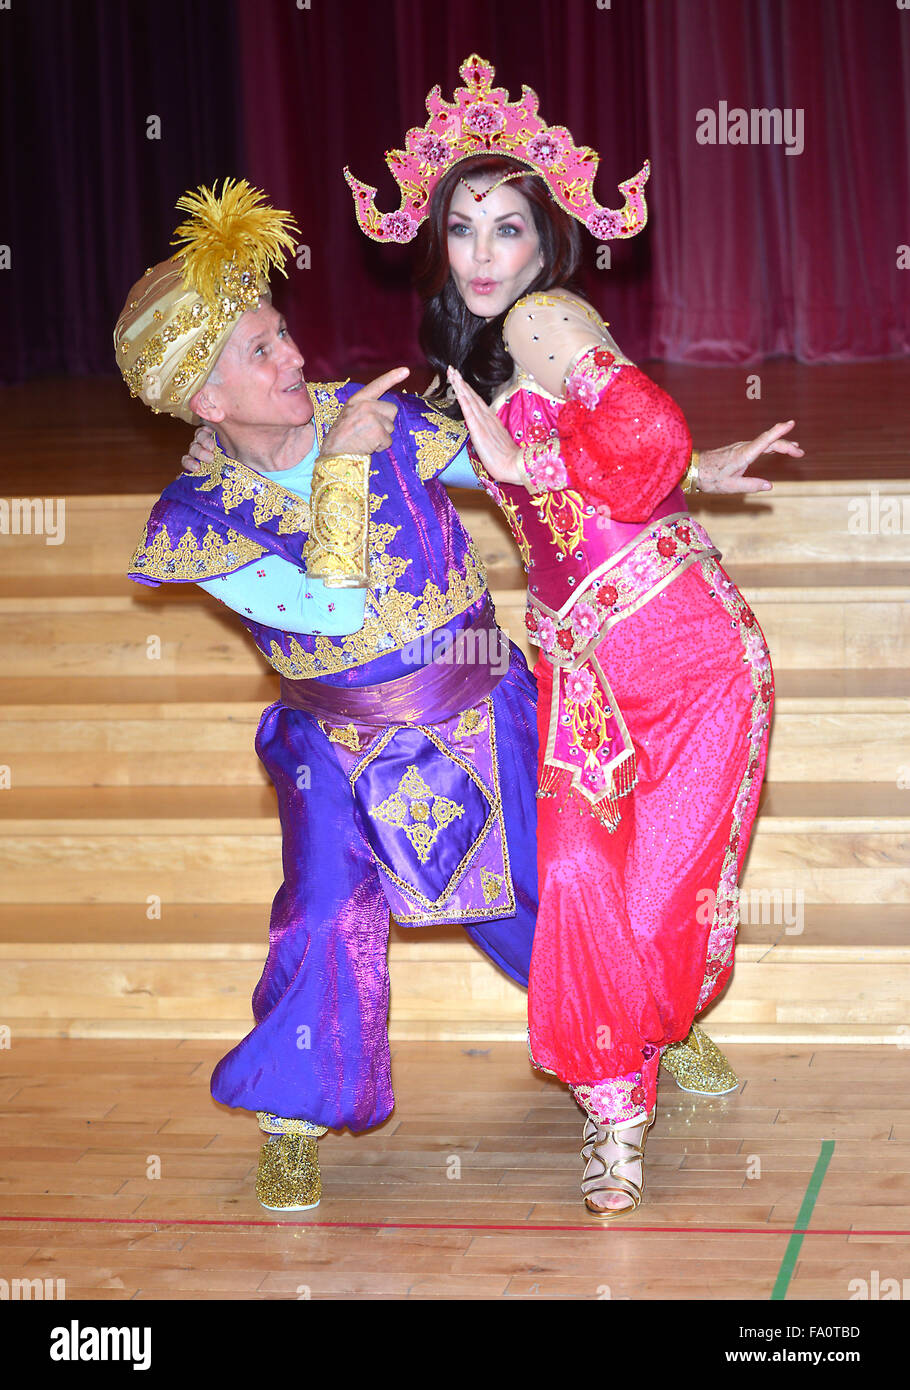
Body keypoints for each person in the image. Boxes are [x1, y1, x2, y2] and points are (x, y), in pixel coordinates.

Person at [344, 55, 803, 1217]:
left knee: (643, 898)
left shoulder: (546, 315)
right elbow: (625, 467)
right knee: (576, 876)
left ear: (548, 242)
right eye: (464, 229)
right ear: (438, 244)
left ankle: (622, 1109)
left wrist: (545, 457)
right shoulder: (474, 357)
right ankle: (614, 1106)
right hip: (578, 656)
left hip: (680, 652)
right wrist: (706, 468)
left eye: (510, 228)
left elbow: (635, 437)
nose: (486, 253)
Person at [114, 178, 543, 1212]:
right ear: (205, 403)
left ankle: (638, 1026)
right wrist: (342, 470)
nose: (296, 357)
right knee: (319, 908)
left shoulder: (380, 416)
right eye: (260, 352)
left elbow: (527, 475)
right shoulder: (196, 519)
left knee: (545, 889)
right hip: (336, 743)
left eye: (284, 335)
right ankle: (293, 1116)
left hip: (481, 709)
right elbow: (326, 611)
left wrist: (682, 463)